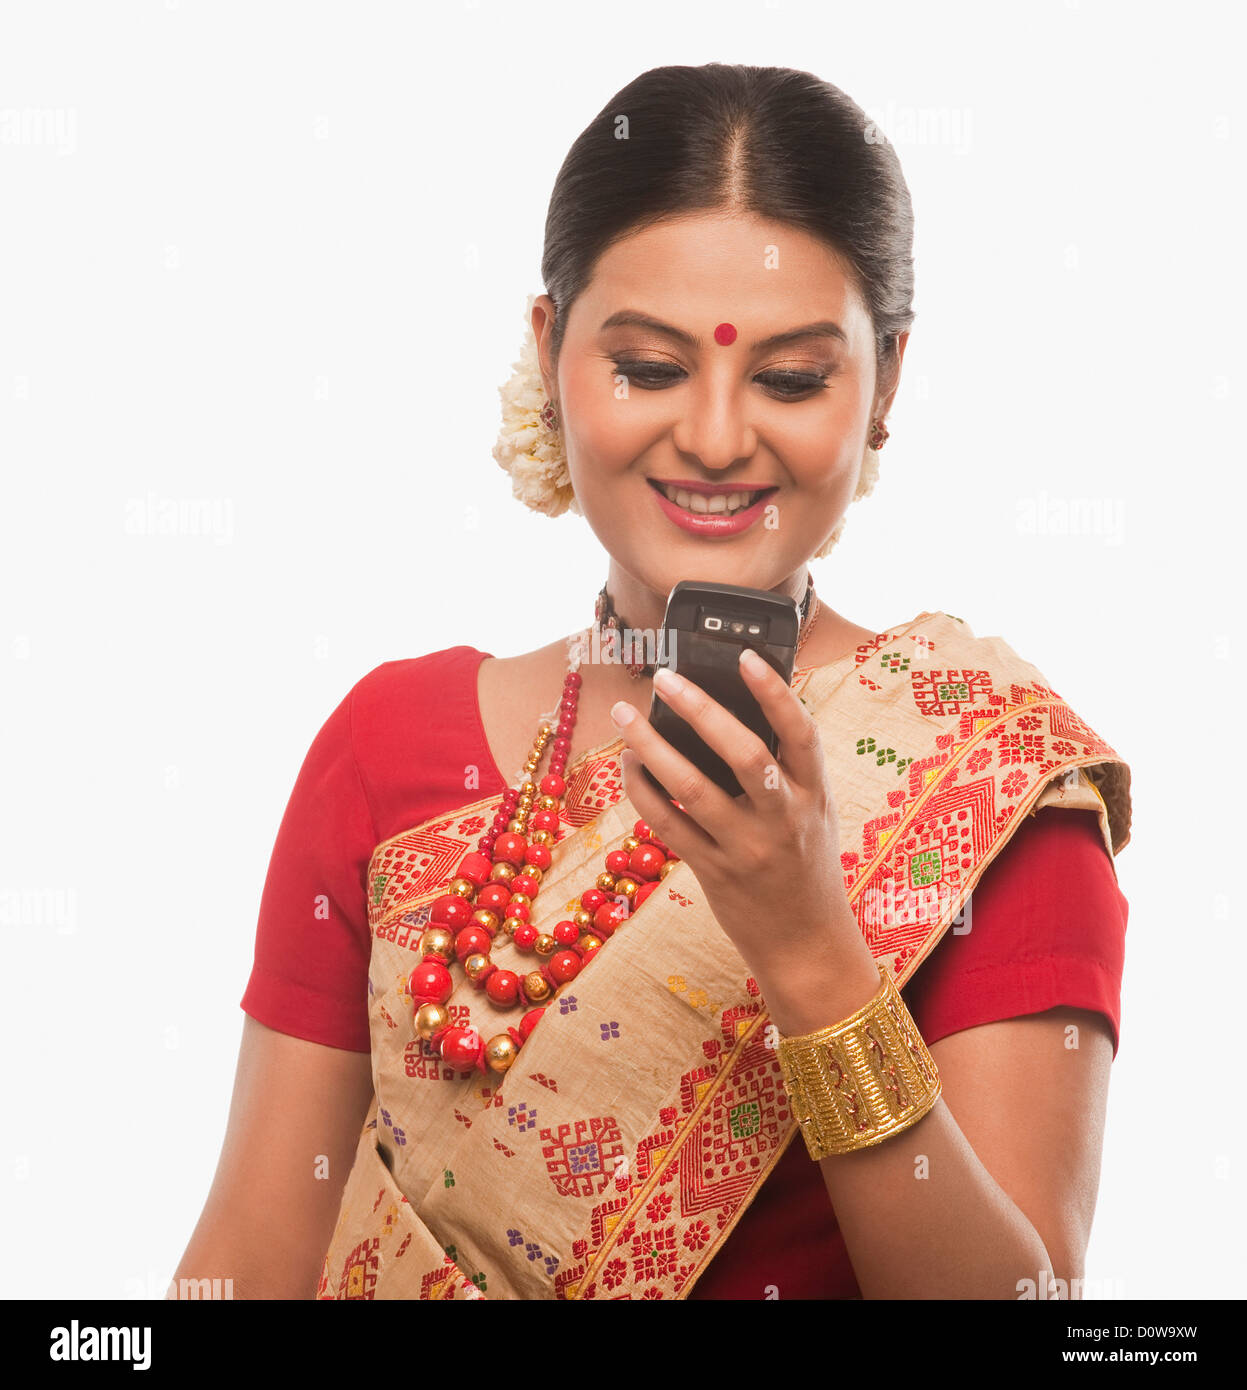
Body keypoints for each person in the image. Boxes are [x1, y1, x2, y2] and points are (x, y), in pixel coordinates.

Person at [172, 62, 1131, 1301]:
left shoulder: (987, 782)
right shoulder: (386, 743)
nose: (720, 437)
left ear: (884, 380)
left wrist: (807, 951)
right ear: (546, 346)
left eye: (790, 377)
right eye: (647, 366)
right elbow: (249, 1264)